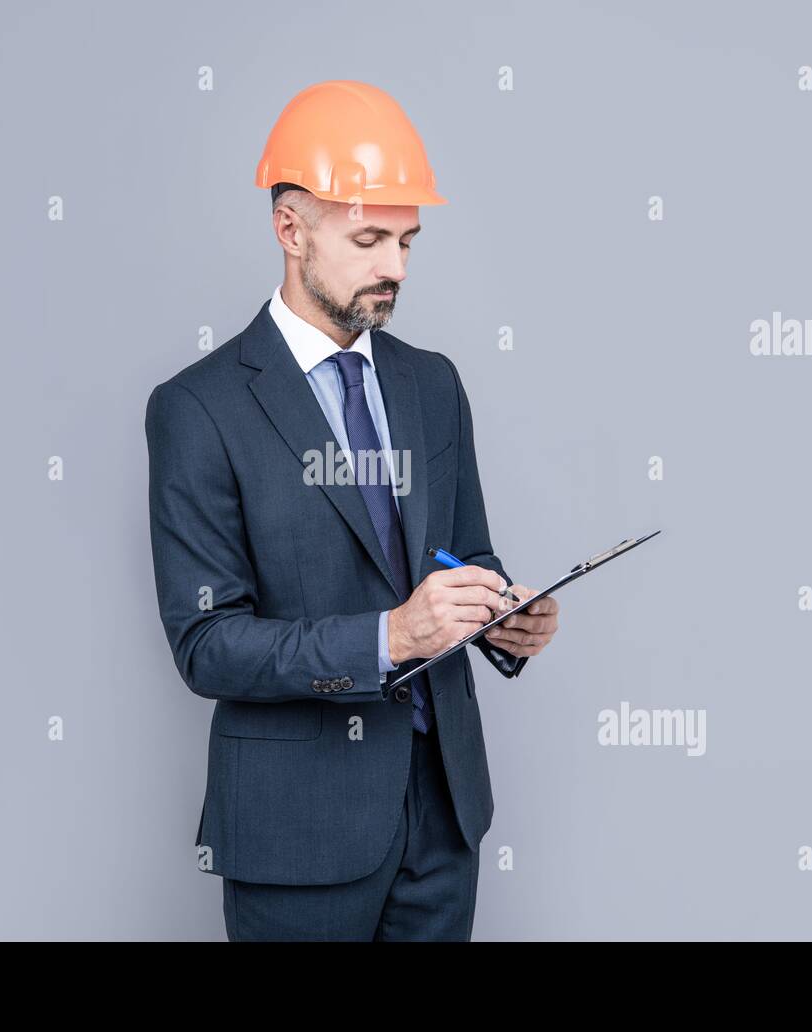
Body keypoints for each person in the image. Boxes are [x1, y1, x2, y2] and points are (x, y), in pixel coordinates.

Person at [145, 80, 559, 941]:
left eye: (408, 241)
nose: (396, 268)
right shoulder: (199, 409)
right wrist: (390, 637)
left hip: (443, 815)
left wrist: (503, 614)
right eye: (369, 239)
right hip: (297, 833)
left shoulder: (433, 383)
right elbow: (208, 644)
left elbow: (464, 555)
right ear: (290, 231)